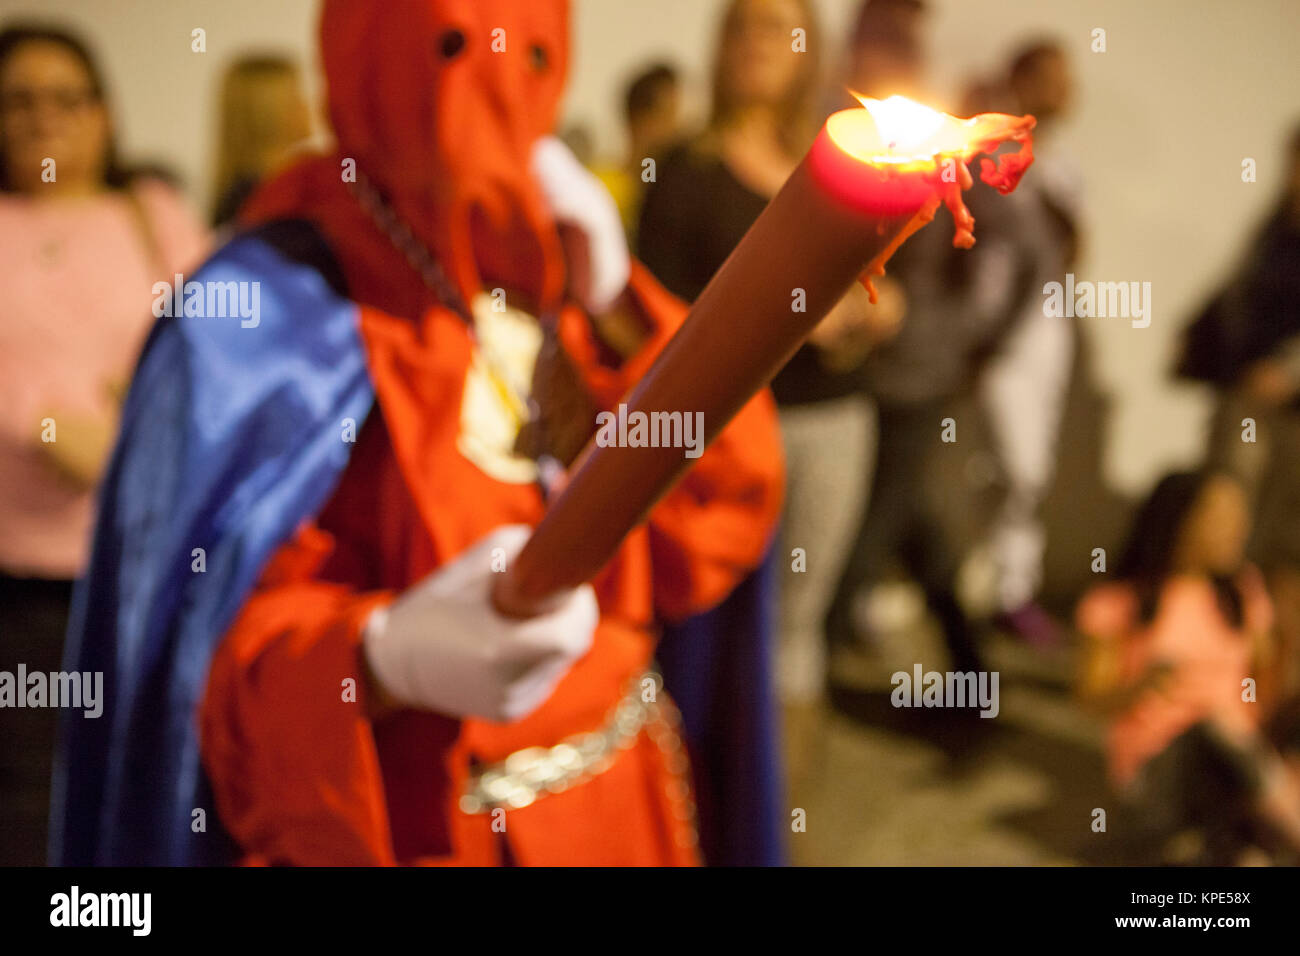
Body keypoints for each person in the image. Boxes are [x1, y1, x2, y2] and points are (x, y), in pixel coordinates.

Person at [52, 0, 782, 867]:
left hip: (621, 805)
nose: (492, 80)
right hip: (417, 826)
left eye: (530, 51)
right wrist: (381, 656)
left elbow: (713, 520)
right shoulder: (265, 313)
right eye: (449, 44)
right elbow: (197, 672)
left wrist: (624, 309)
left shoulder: (558, 268)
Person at [640, 0, 900, 729]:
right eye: (742, 26)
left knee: (795, 628)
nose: (756, 43)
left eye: (774, 27)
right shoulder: (682, 171)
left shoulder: (840, 166)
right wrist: (788, 313)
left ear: (806, 48)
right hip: (730, 431)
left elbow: (873, 273)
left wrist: (874, 308)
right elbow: (658, 322)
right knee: (708, 621)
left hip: (833, 417)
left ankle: (776, 821)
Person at [0, 22, 207, 866]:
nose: (45, 119)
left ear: (104, 114)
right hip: (26, 585)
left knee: (150, 788)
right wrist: (45, 420)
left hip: (148, 565)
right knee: (33, 801)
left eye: (67, 98)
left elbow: (207, 350)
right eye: (19, 101)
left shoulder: (153, 215)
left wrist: (138, 418)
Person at [1077, 470, 1300, 864]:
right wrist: (1139, 686)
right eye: (1220, 516)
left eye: (1239, 515)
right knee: (1209, 731)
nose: (1237, 528)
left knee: (1233, 744)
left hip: (1240, 762)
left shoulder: (1242, 591)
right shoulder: (1122, 600)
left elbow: (1267, 678)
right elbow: (1090, 700)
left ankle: (1245, 838)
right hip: (1162, 765)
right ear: (1178, 520)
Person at [1179, 120, 1300, 704]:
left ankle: (1267, 710)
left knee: (1284, 561)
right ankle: (1196, 674)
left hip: (1290, 417)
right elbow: (1240, 296)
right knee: (1222, 519)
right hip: (1249, 405)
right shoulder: (1275, 229)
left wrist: (1289, 369)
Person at [973, 41, 1083, 645]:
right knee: (1014, 465)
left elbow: (1073, 251)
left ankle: (1009, 587)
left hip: (1047, 328)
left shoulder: (1066, 166)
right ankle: (978, 579)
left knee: (1031, 464)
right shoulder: (988, 143)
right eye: (1052, 78)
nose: (1066, 91)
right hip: (995, 331)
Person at [209, 53, 312, 229]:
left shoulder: (286, 185)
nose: (307, 106)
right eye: (295, 98)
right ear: (270, 114)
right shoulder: (259, 201)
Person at [592, 63, 682, 241]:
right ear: (638, 120)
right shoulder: (599, 188)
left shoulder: (674, 188)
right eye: (667, 115)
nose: (676, 128)